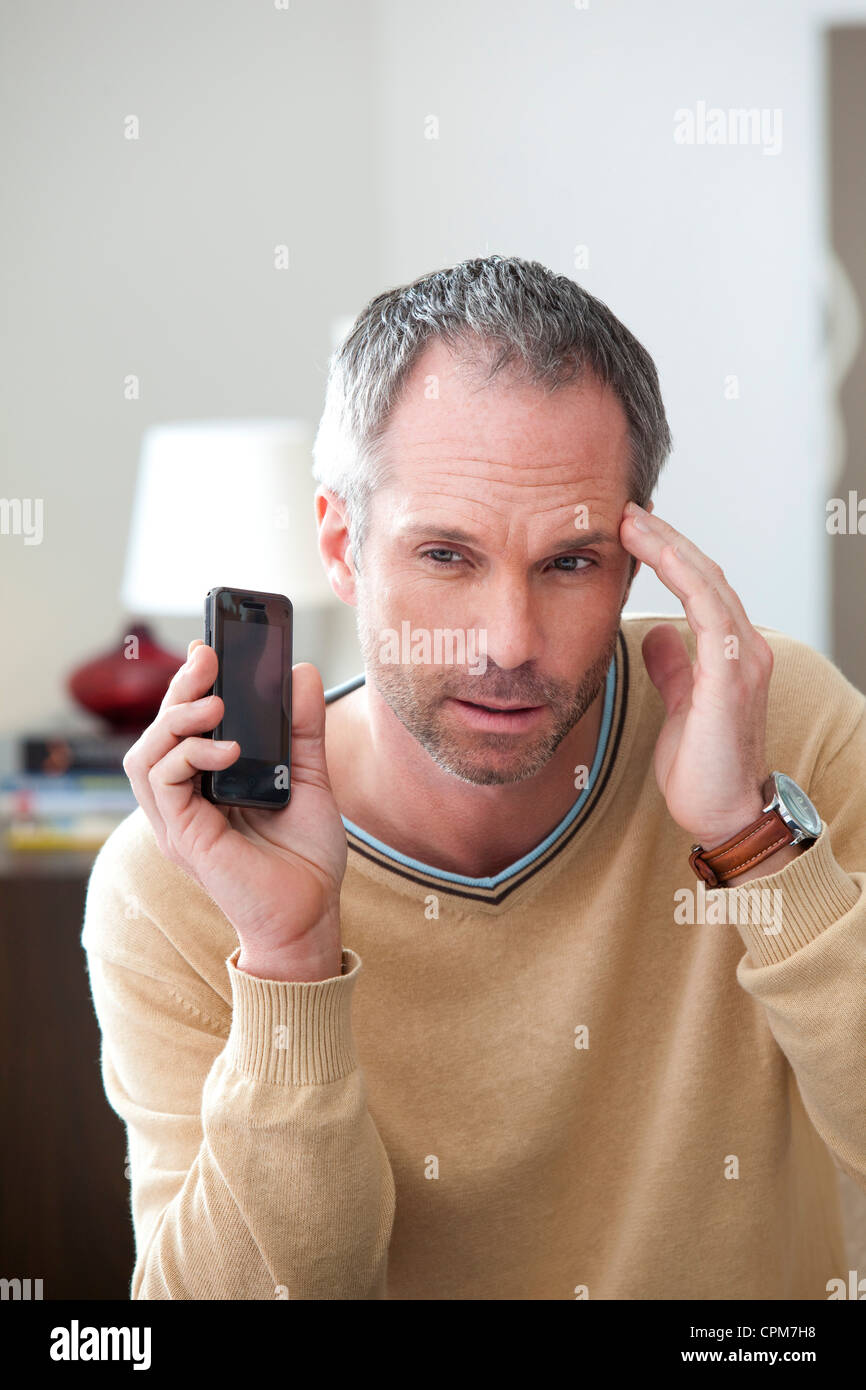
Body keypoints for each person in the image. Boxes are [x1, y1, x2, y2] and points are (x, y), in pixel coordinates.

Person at [82, 255, 866, 1300]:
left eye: (569, 562)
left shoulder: (779, 729)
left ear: (638, 565)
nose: (507, 643)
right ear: (341, 544)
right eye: (446, 556)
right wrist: (287, 957)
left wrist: (752, 844)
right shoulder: (179, 876)